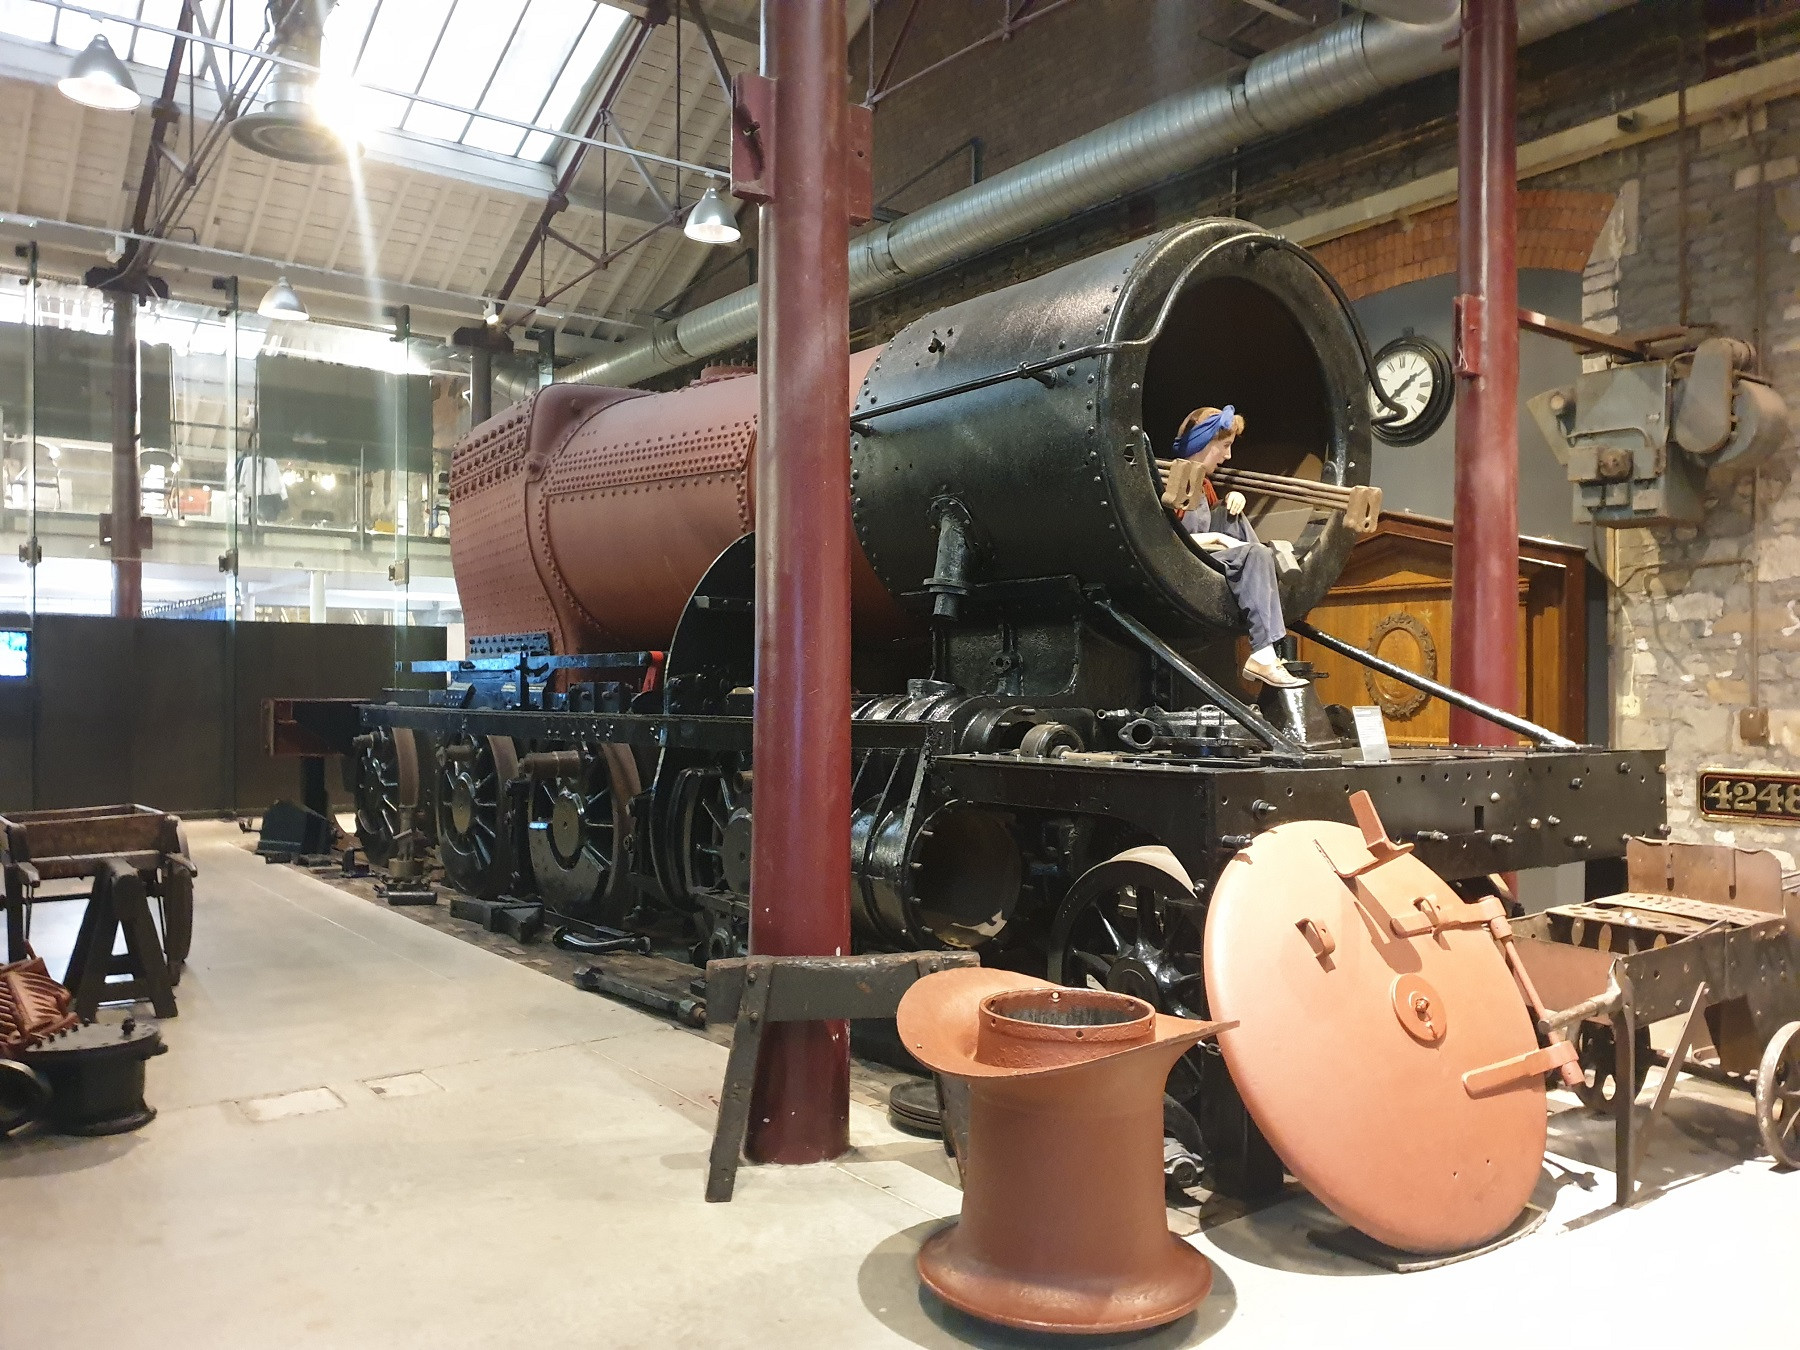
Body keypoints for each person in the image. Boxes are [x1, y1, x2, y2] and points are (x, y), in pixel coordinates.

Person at [1162, 405, 1307, 690]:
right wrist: (1220, 540)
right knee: (1256, 554)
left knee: (1235, 517)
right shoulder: (1172, 481)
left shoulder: (1203, 486)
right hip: (1185, 560)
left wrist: (1232, 500)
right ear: (1203, 443)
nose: (1228, 456)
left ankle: (1269, 573)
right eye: (1224, 446)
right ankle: (1264, 652)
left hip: (1209, 554)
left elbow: (1210, 524)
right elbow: (1168, 540)